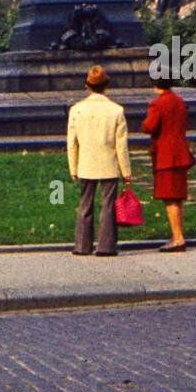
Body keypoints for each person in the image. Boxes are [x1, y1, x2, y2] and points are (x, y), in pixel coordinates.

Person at [66, 64, 132, 256]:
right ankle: (106, 245)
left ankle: (82, 245)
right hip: (109, 164)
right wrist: (126, 171)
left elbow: (72, 142)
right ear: (106, 85)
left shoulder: (76, 110)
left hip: (86, 163)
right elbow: (121, 146)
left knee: (85, 204)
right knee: (108, 204)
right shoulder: (116, 111)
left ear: (87, 86)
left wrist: (73, 167)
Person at [141, 80, 196, 252]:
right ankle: (177, 234)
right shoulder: (179, 100)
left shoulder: (157, 103)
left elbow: (149, 126)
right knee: (177, 198)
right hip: (180, 153)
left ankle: (178, 237)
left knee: (170, 198)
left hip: (166, 156)